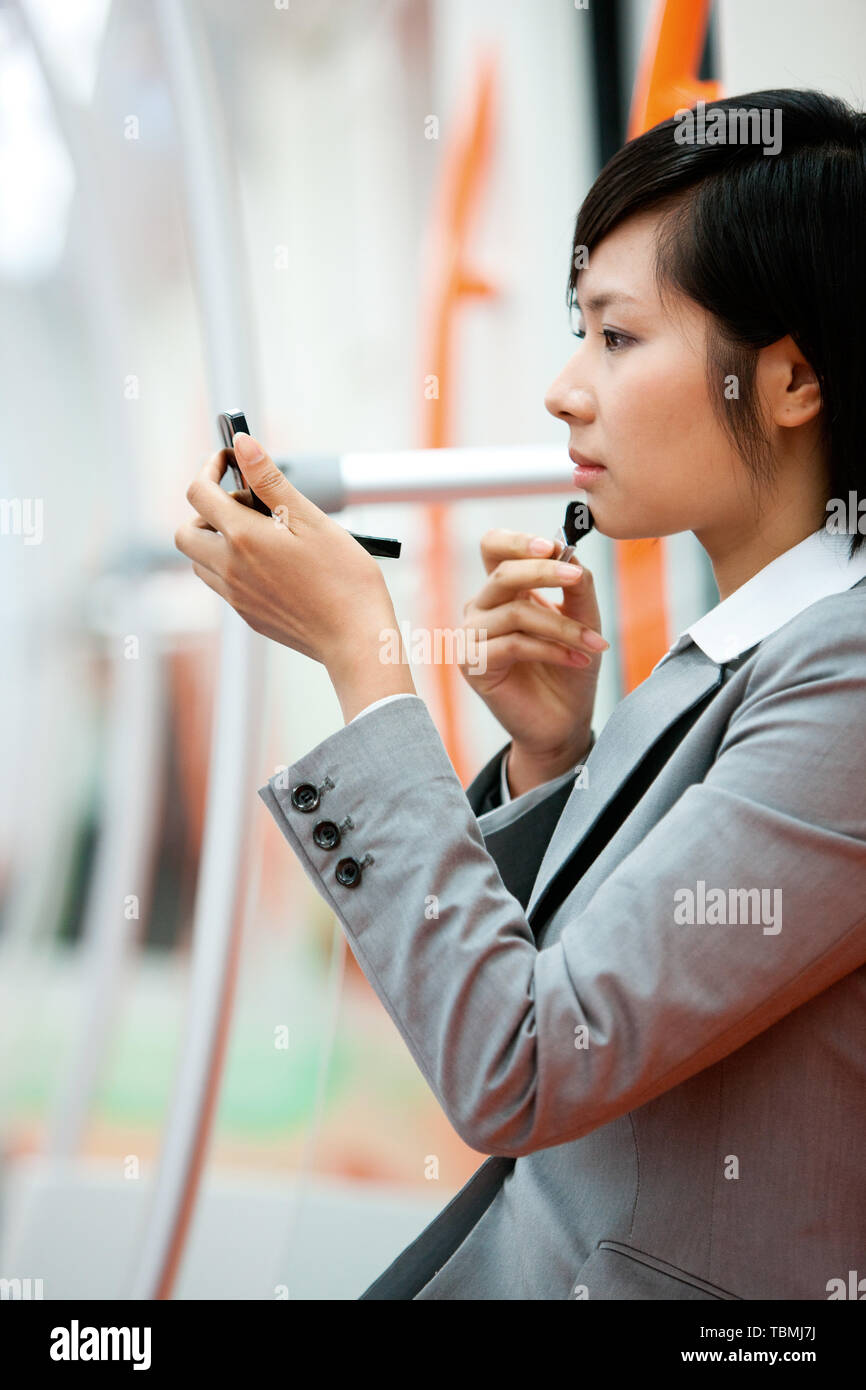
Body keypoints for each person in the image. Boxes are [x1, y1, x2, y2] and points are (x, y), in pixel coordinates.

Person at [175, 89, 866, 1300]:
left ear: (790, 378)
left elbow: (524, 1065)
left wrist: (363, 660)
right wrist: (554, 760)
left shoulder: (842, 678)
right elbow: (569, 995)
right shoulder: (754, 648)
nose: (563, 388)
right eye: (575, 330)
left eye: (616, 336)